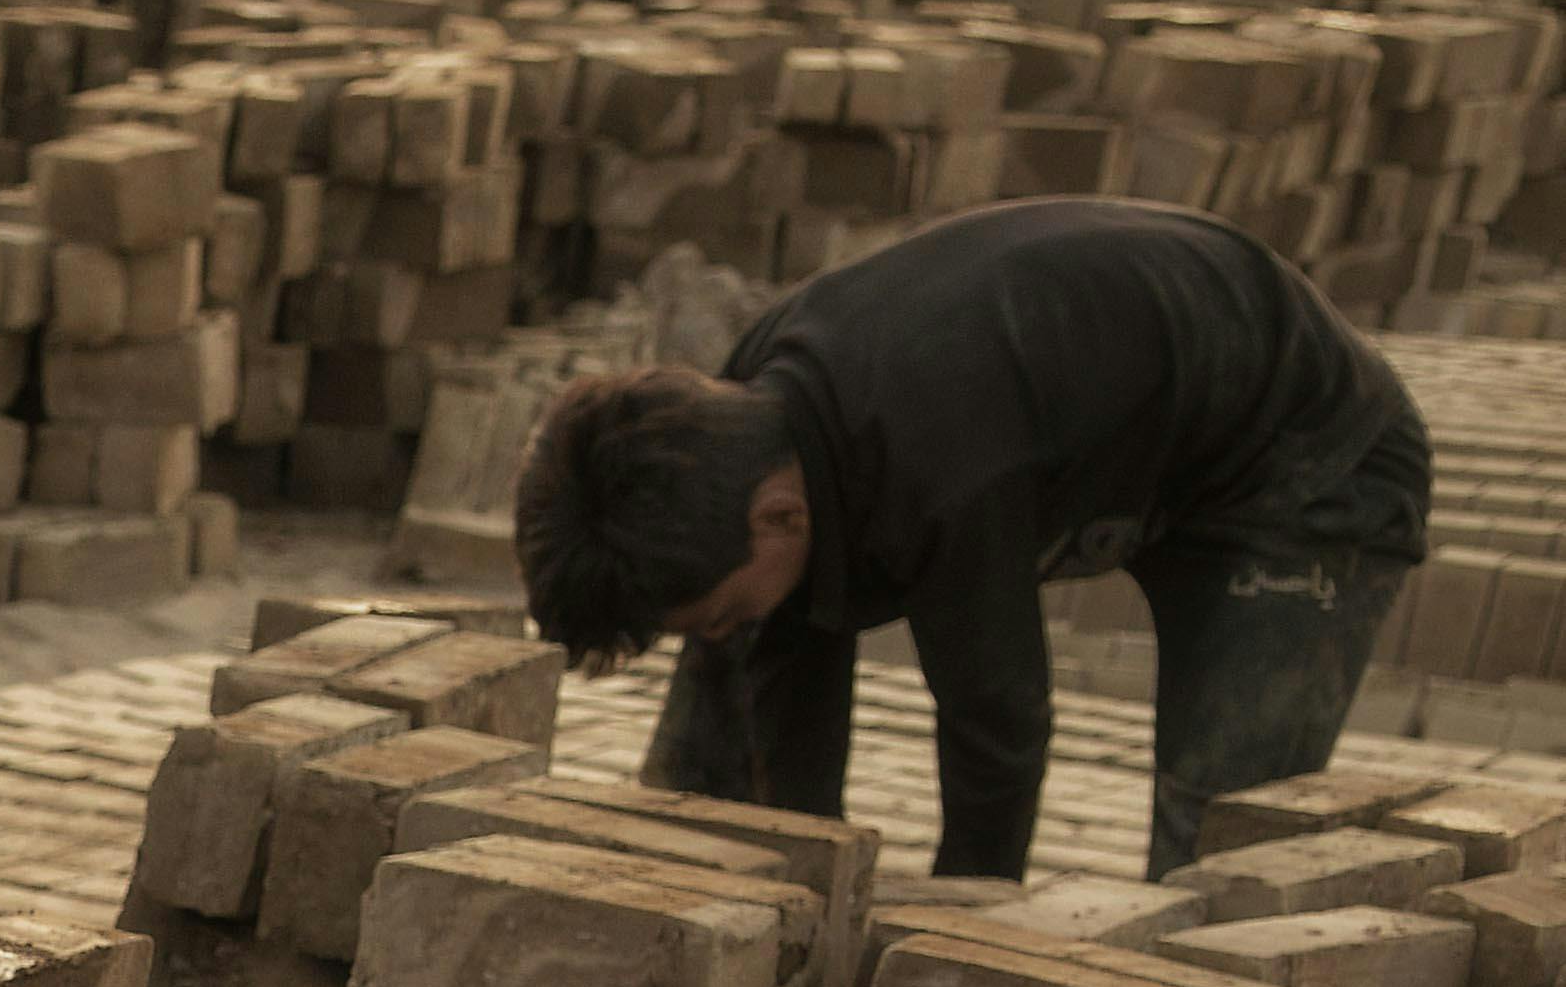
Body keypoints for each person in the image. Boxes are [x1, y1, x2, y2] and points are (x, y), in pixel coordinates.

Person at [512, 197, 1432, 881]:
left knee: (1217, 851)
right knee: (731, 694)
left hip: (1311, 467)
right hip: (1120, 401)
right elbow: (786, 668)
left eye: (715, 611)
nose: (721, 628)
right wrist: (800, 881)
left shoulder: (942, 457)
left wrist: (958, 947)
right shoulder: (754, 400)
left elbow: (997, 722)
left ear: (781, 516)